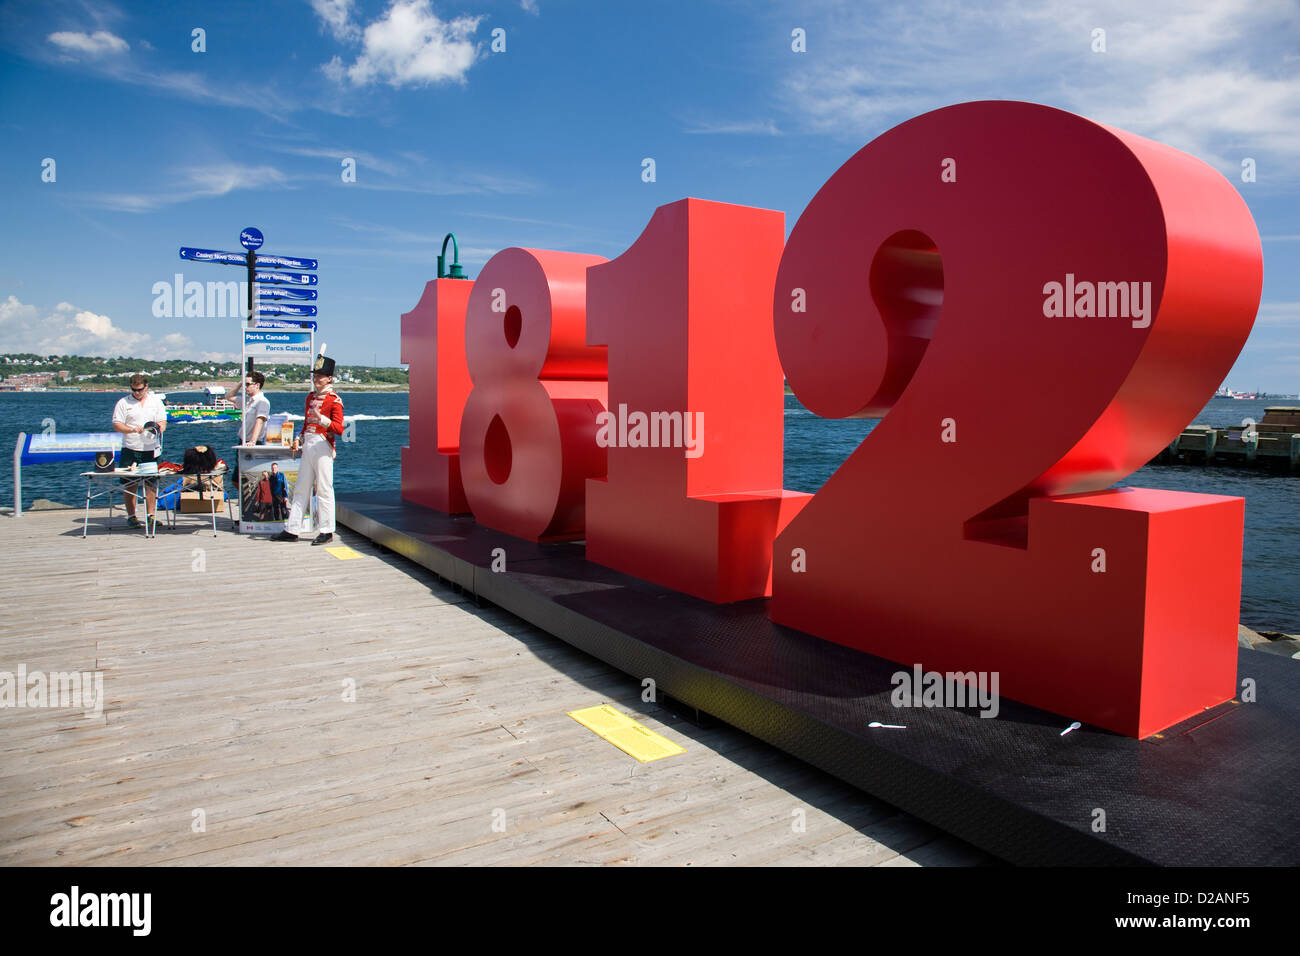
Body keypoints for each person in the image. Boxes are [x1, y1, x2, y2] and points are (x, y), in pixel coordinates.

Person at [274, 354, 344, 545]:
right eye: (315, 375)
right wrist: (298, 439)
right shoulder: (310, 398)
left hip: (324, 445)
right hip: (309, 445)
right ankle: (292, 529)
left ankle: (327, 530)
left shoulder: (334, 400)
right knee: (301, 488)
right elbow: (306, 425)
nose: (316, 379)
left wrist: (321, 418)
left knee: (324, 489)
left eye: (320, 376)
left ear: (329, 378)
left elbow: (339, 429)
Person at [111, 373, 167, 529]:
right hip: (130, 448)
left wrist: (157, 428)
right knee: (130, 484)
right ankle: (131, 516)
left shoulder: (155, 402)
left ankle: (150, 516)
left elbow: (163, 422)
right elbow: (117, 424)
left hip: (151, 449)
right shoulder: (123, 403)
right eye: (133, 390)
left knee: (151, 484)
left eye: (139, 390)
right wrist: (131, 430)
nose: (136, 393)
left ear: (146, 387)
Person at [229, 370, 269, 526]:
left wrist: (253, 440)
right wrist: (240, 383)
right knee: (236, 480)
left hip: (253, 442)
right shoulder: (247, 400)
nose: (245, 387)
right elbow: (229, 397)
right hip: (242, 440)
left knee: (249, 479)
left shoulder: (262, 401)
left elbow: (260, 421)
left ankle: (252, 509)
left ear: (257, 385)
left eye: (248, 384)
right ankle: (251, 506)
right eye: (244, 384)